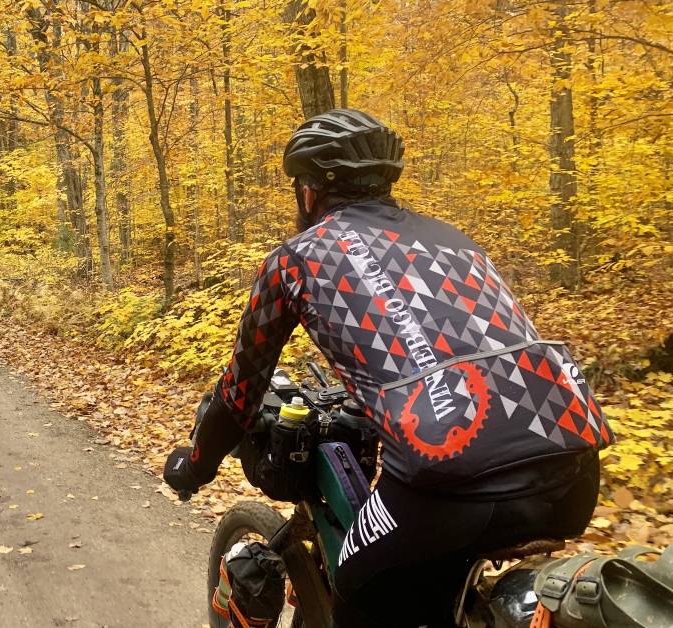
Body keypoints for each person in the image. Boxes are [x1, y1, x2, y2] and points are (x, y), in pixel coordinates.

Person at [163, 109, 612, 628]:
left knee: (357, 588)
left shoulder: (295, 260)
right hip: (572, 467)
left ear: (308, 192)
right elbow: (451, 349)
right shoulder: (454, 240)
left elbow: (240, 394)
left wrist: (194, 465)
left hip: (451, 487)